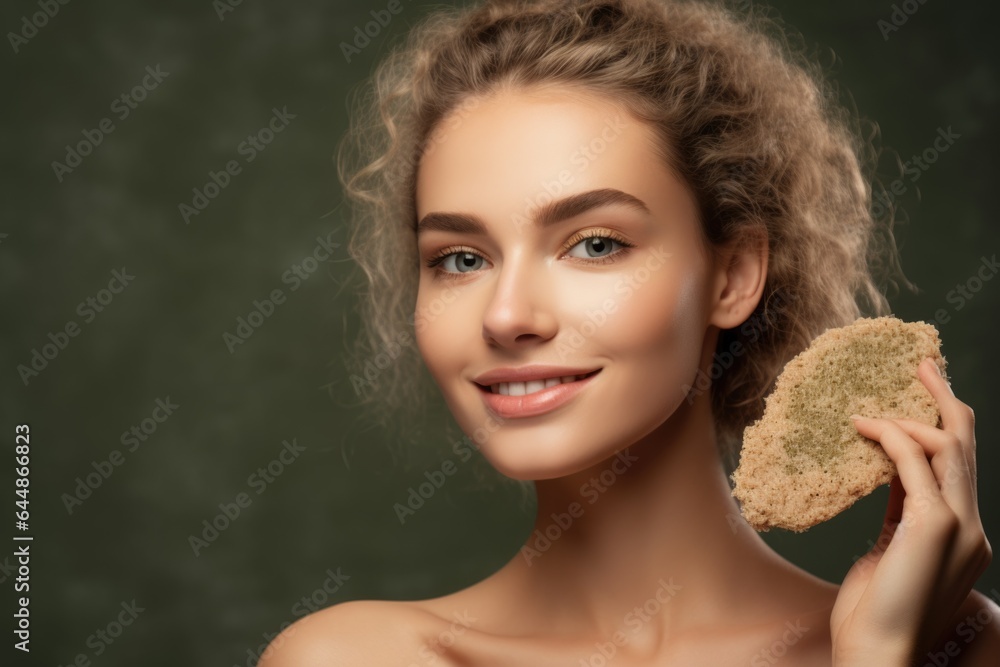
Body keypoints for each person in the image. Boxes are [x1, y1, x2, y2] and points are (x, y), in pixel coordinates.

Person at [261, 0, 998, 663]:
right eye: (461, 258)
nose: (506, 315)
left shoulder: (954, 648)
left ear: (732, 275)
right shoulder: (352, 656)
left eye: (594, 243)